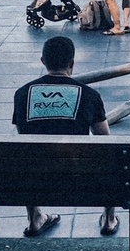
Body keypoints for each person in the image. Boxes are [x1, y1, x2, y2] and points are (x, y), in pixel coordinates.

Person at [13, 35, 116, 236]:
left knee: (27, 155)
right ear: (72, 63)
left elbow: (23, 133)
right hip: (79, 177)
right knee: (114, 156)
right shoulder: (89, 94)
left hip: (33, 177)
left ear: (43, 61)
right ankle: (109, 219)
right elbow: (105, 140)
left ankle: (35, 218)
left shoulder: (22, 93)